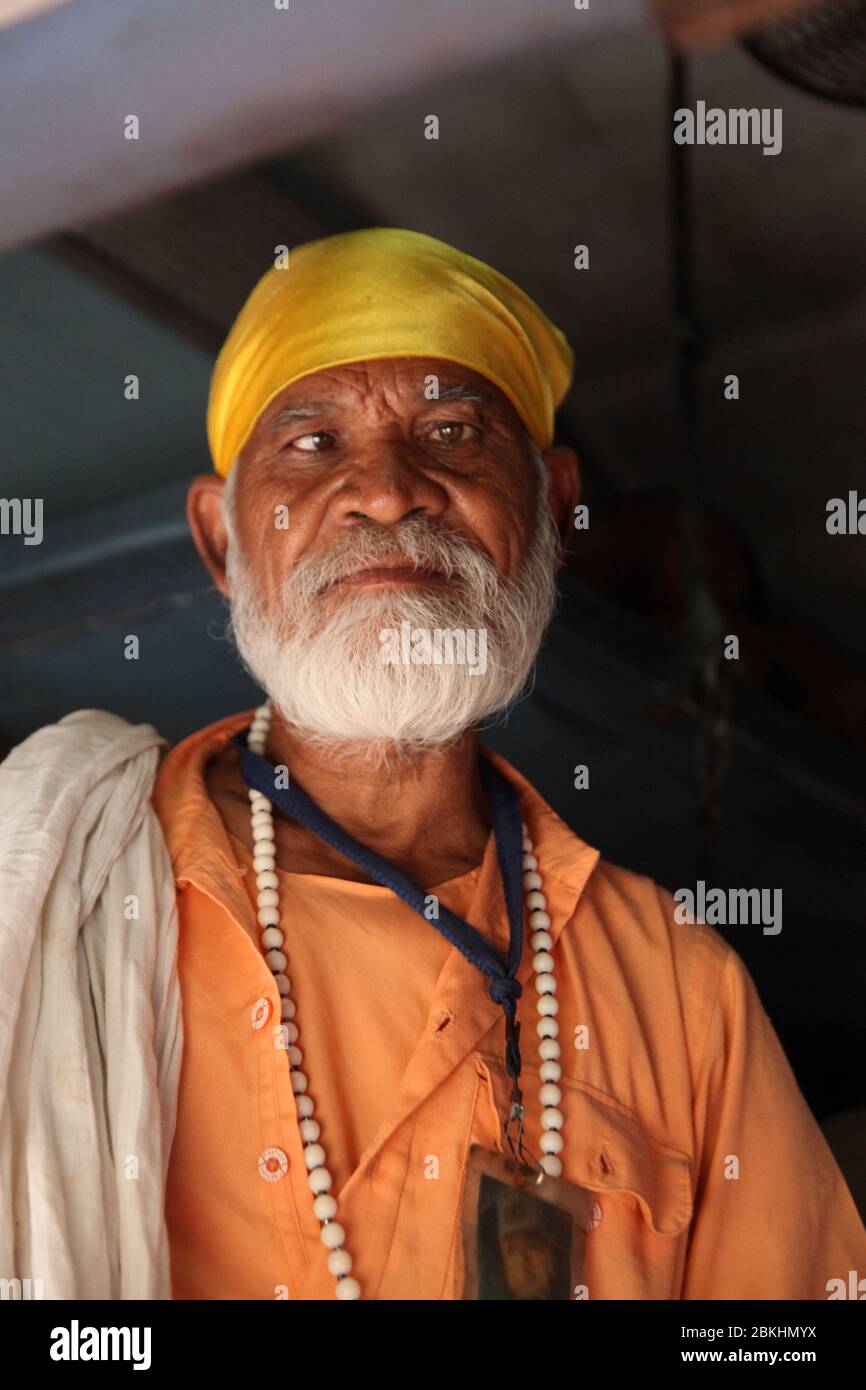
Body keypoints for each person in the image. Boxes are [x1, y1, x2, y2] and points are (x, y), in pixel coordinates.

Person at [2, 228, 864, 1302]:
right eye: (313, 444)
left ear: (549, 507)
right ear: (221, 540)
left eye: (450, 430)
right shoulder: (53, 891)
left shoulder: (678, 988)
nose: (386, 490)